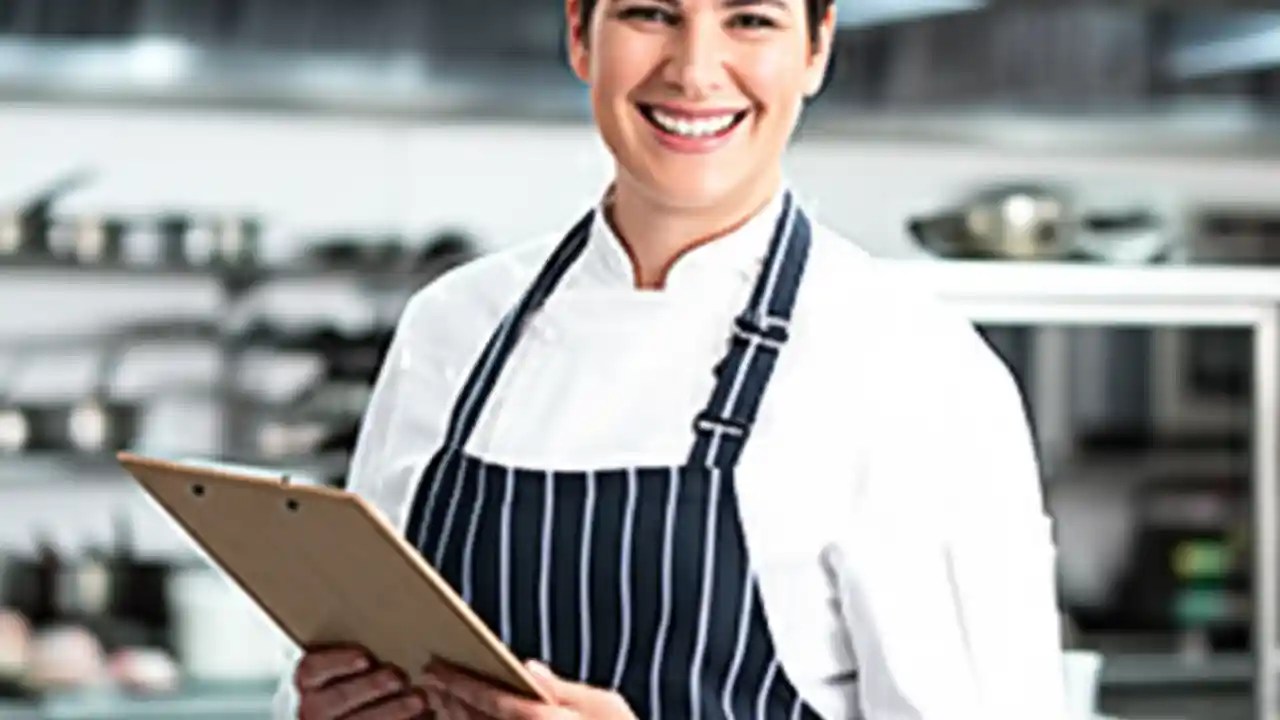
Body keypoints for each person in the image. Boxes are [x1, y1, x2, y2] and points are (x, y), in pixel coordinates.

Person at [274, 0, 1070, 717]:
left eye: (749, 20)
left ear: (816, 49)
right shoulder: (450, 328)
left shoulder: (916, 371)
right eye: (651, 14)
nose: (693, 70)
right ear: (580, 35)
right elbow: (331, 662)